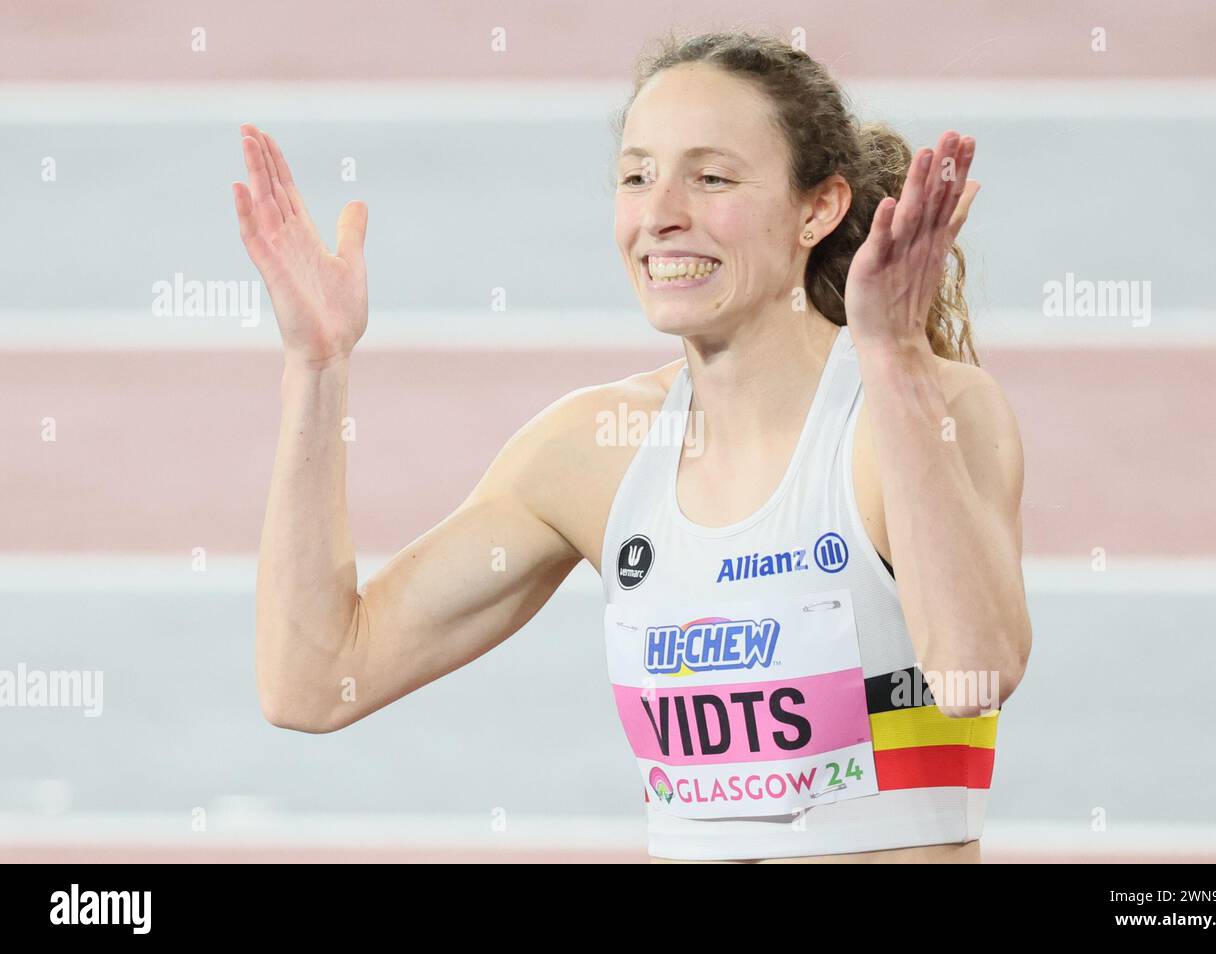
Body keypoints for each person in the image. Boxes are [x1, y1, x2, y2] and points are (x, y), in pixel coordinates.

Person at [232, 31, 1032, 864]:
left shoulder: (924, 411)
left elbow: (978, 676)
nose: (660, 213)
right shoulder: (591, 454)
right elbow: (314, 680)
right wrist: (317, 368)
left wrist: (895, 357)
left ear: (817, 209)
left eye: (711, 177)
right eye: (637, 176)